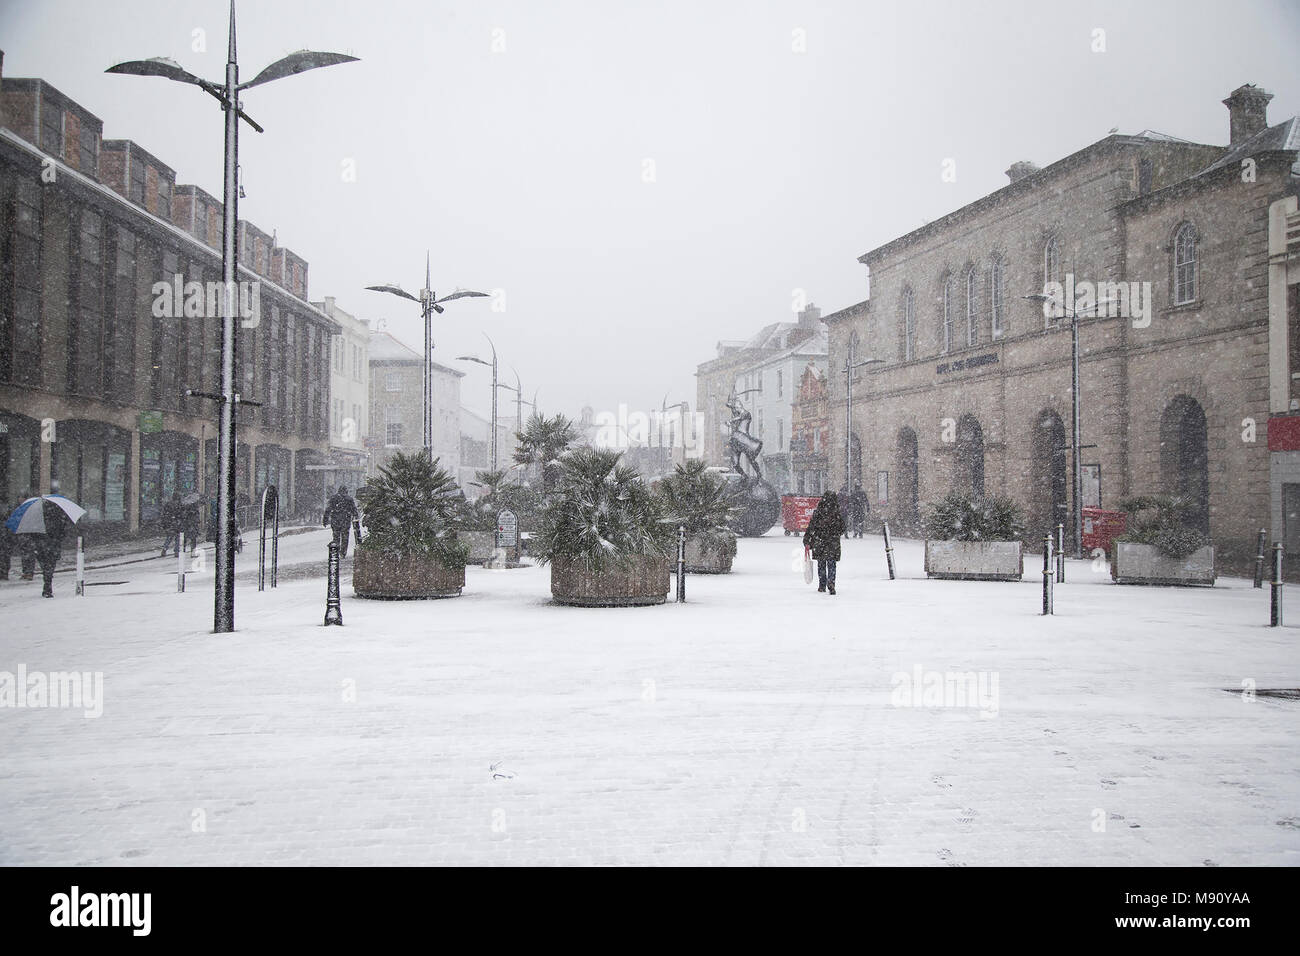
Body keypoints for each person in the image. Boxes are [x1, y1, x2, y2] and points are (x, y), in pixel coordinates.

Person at [803, 490, 846, 595]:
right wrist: (835, 533)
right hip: (832, 542)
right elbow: (843, 528)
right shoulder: (836, 513)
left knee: (821, 564)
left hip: (820, 541)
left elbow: (811, 527)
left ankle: (822, 585)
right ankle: (831, 581)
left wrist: (807, 539)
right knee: (831, 564)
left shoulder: (818, 512)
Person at [33, 499, 73, 598]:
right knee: (50, 566)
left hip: (41, 545)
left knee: (45, 566)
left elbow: (33, 532)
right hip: (52, 545)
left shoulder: (38, 517)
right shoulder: (59, 516)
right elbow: (63, 532)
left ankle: (47, 583)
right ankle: (48, 584)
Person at [323, 486, 360, 558]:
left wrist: (325, 519)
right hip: (346, 520)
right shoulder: (349, 499)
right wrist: (355, 516)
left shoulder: (333, 498)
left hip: (335, 520)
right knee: (345, 537)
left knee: (336, 536)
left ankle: (336, 549)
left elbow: (328, 509)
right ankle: (343, 552)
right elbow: (354, 509)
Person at [160, 492, 184, 558]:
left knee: (169, 537)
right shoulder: (179, 505)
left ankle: (164, 549)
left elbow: (165, 514)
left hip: (170, 523)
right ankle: (176, 551)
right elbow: (181, 515)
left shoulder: (168, 504)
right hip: (177, 523)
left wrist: (166, 523)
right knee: (177, 538)